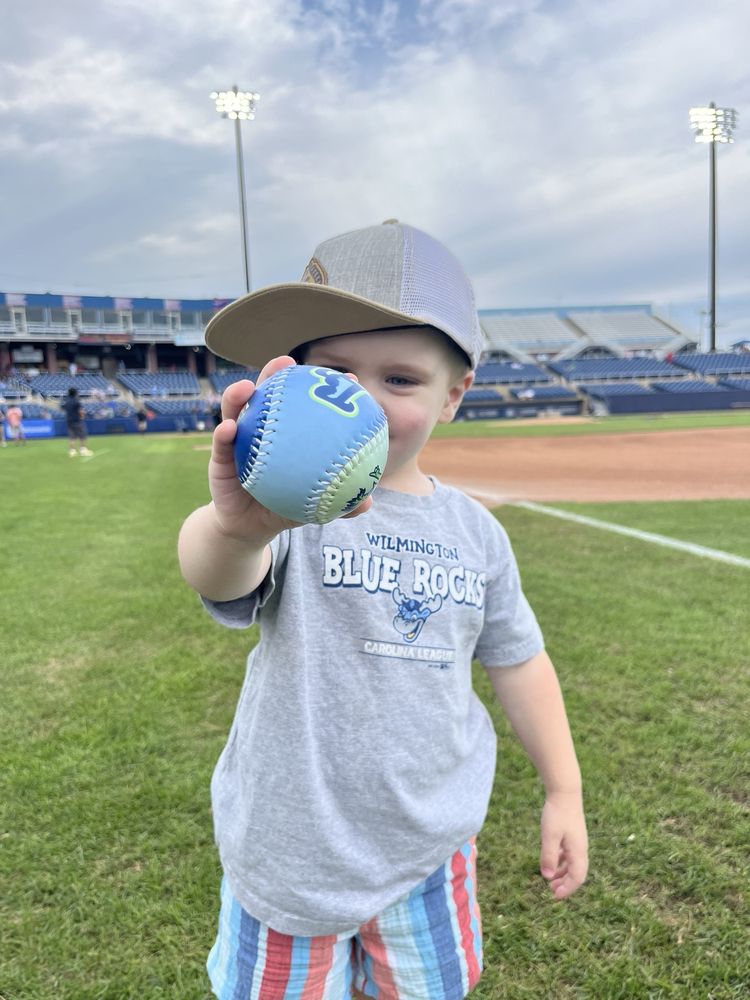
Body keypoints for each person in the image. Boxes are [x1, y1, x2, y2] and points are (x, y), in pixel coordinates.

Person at [178, 220, 588, 1000]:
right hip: (292, 854)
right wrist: (238, 529)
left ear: (452, 396)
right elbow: (219, 576)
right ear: (291, 380)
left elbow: (518, 660)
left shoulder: (476, 532)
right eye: (336, 373)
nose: (364, 400)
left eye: (400, 379)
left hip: (428, 849)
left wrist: (563, 789)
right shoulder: (287, 512)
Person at [62, 387, 92, 456]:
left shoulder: (66, 401)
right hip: (77, 420)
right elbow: (80, 411)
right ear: (75, 393)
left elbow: (63, 409)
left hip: (69, 421)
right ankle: (83, 450)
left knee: (72, 436)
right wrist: (82, 416)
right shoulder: (76, 401)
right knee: (82, 435)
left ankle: (72, 451)